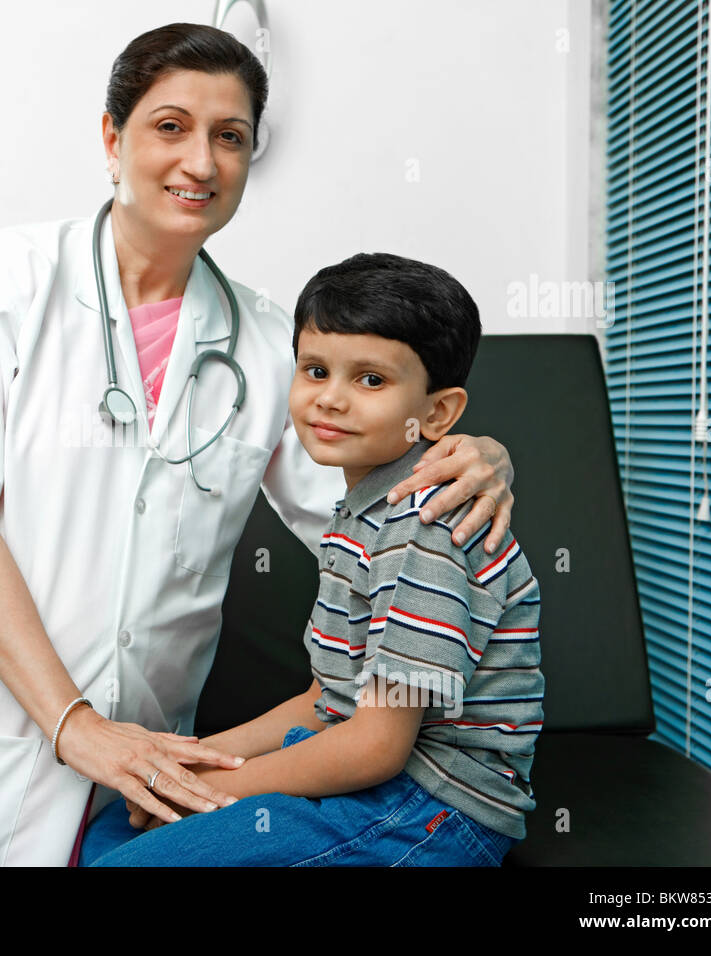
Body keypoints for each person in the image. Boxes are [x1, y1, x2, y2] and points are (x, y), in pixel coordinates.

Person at [0, 24, 519, 868]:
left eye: (232, 138)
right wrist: (73, 724)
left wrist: (470, 455)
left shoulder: (265, 342)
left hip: (137, 763)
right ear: (113, 139)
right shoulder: (2, 283)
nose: (202, 162)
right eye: (171, 126)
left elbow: (365, 508)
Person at [78, 252, 545, 866]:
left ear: (436, 413)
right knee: (113, 828)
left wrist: (208, 791)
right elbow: (326, 700)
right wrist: (189, 762)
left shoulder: (425, 528)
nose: (331, 400)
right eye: (315, 369)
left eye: (371, 380)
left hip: (430, 808)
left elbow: (378, 747)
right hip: (370, 775)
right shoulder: (359, 512)